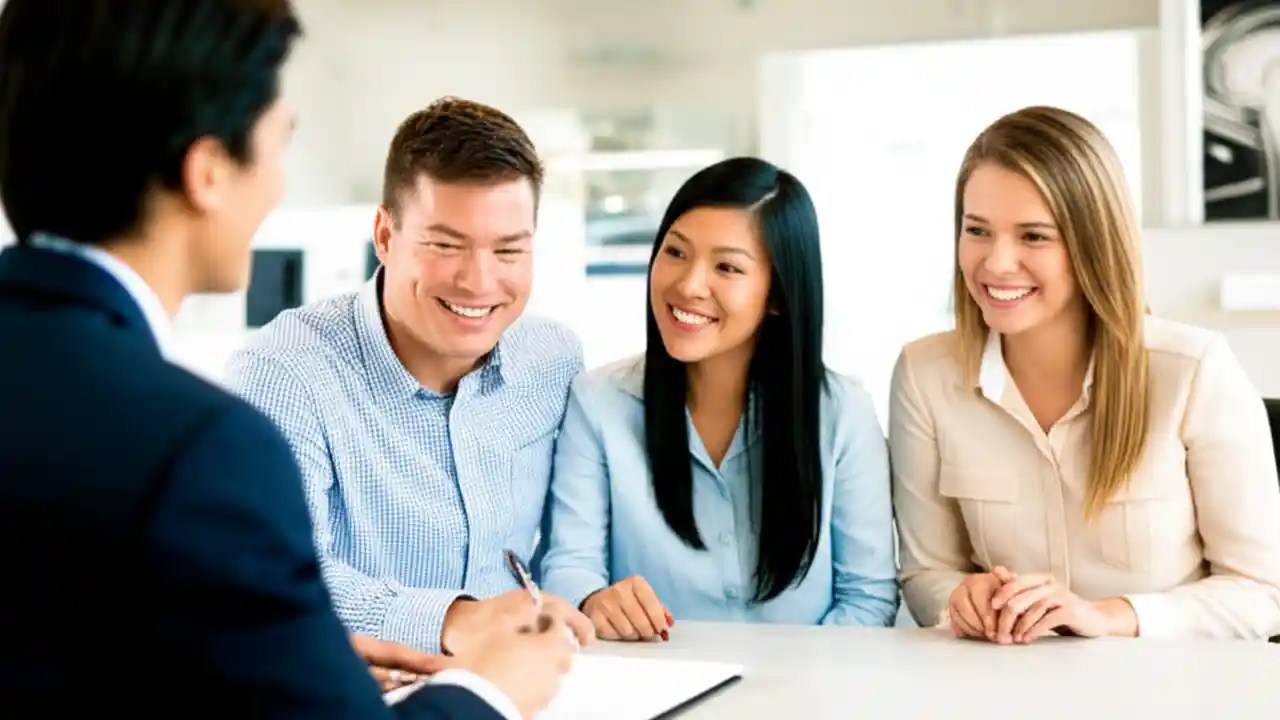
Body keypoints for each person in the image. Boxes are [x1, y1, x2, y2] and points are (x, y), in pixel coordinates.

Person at [0, 1, 575, 717]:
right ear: (209, 170)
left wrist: (286, 662)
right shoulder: (200, 445)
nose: (277, 184)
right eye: (280, 141)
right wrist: (489, 689)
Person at [890, 105, 1280, 644]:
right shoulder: (924, 374)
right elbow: (925, 573)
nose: (996, 263)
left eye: (1034, 236)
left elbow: (1262, 593)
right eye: (977, 230)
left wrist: (1110, 617)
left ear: (1094, 243)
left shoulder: (1194, 372)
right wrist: (961, 597)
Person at [225, 96, 592, 655]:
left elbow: (567, 544)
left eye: (509, 250)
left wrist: (589, 595)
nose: (478, 281)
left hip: (528, 685)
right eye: (445, 245)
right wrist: (454, 621)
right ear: (385, 234)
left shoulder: (553, 359)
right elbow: (273, 573)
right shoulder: (285, 374)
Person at [540, 157, 899, 640]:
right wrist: (592, 600)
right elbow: (569, 568)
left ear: (778, 294)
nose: (688, 285)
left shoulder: (843, 413)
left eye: (727, 266)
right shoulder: (598, 402)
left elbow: (868, 598)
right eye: (675, 252)